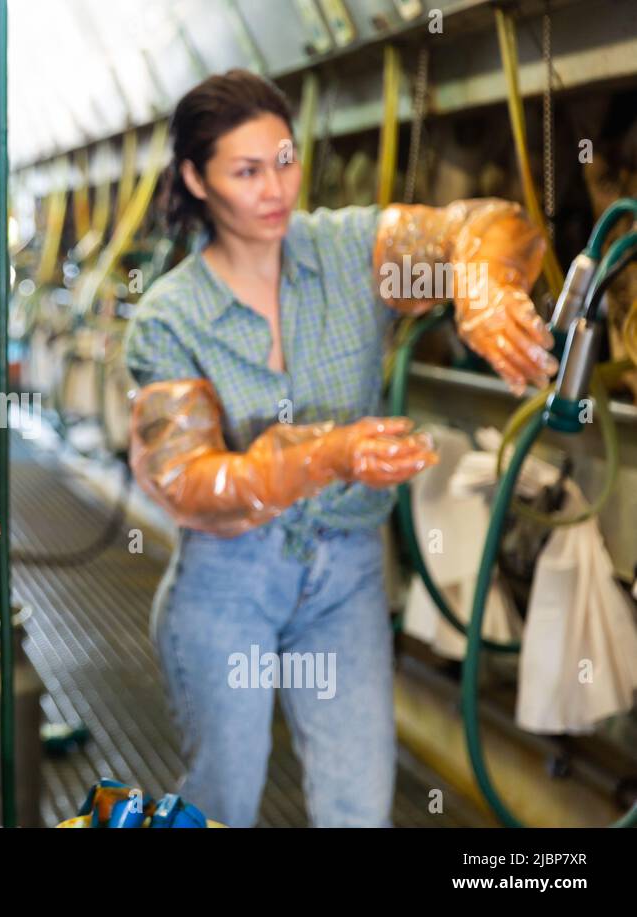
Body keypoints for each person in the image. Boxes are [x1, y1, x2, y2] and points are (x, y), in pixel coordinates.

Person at [123, 69, 556, 827]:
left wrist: (480, 278)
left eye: (284, 160)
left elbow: (486, 225)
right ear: (195, 177)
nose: (275, 189)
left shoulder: (355, 250)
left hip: (347, 576)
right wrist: (327, 455)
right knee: (225, 795)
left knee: (358, 806)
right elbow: (190, 481)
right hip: (228, 584)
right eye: (246, 171)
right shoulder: (170, 316)